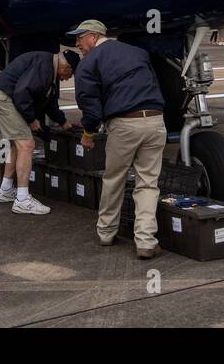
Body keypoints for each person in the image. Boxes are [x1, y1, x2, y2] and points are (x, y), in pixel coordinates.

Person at [70, 19, 167, 259]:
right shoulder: (138, 52)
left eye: (79, 39)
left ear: (93, 37)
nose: (77, 44)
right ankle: (145, 241)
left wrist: (88, 133)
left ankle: (106, 232)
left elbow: (89, 105)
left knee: (114, 178)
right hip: (155, 120)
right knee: (148, 183)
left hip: (124, 123)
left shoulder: (89, 62)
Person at [0, 49, 79, 214]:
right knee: (26, 145)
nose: (67, 79)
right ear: (66, 68)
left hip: (2, 97)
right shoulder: (44, 67)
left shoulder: (49, 68)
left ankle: (6, 189)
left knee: (16, 145)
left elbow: (49, 102)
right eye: (70, 74)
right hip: (7, 99)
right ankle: (22, 199)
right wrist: (31, 119)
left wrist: (63, 121)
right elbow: (22, 93)